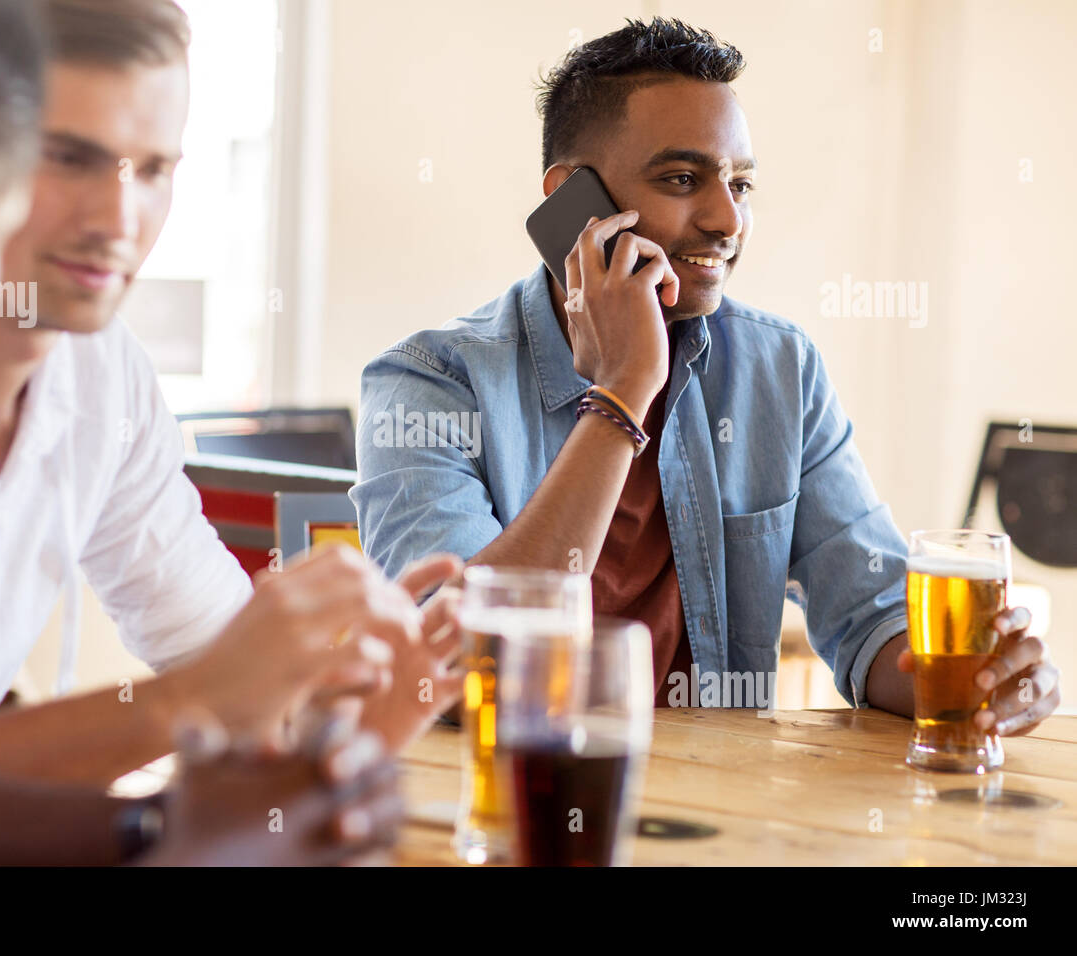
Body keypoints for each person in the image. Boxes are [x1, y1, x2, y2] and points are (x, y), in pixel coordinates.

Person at [0, 0, 399, 866]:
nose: (117, 219)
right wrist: (182, 723)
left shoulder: (103, 374)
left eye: (153, 169)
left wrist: (351, 708)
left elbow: (230, 658)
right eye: (68, 157)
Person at [351, 17, 1060, 732]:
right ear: (574, 202)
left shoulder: (780, 370)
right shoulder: (428, 385)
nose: (728, 219)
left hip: (721, 822)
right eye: (683, 179)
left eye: (742, 184)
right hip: (519, 811)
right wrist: (623, 392)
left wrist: (976, 682)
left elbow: (874, 620)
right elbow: (459, 673)